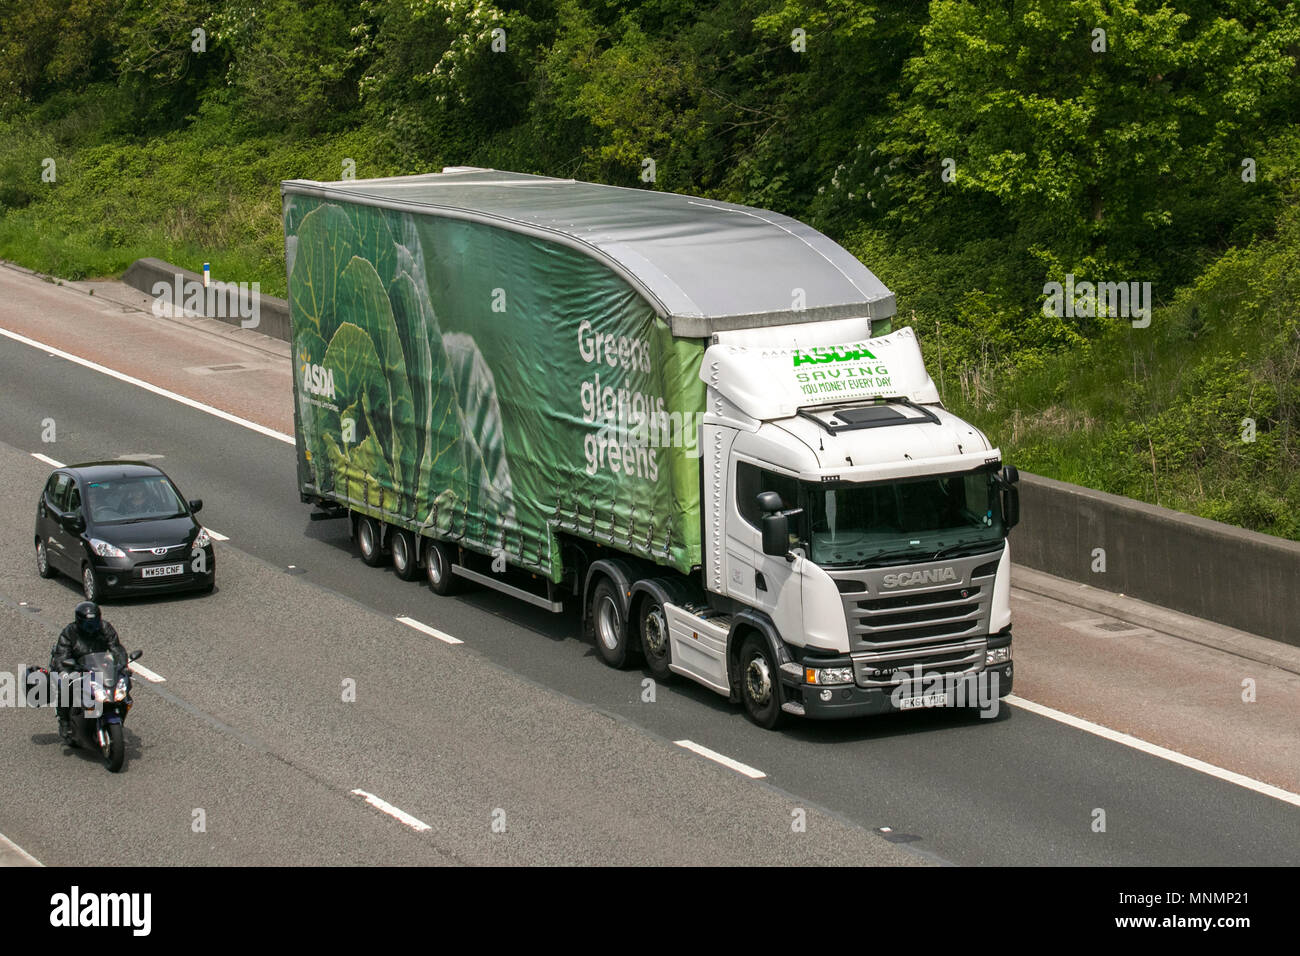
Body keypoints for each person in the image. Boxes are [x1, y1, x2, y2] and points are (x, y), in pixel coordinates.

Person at [48, 602, 126, 744]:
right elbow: (61, 656)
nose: (92, 627)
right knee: (65, 687)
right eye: (88, 624)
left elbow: (116, 648)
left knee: (124, 685)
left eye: (95, 622)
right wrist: (65, 672)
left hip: (99, 665)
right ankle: (64, 722)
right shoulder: (69, 632)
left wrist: (122, 665)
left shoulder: (105, 628)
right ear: (80, 622)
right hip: (75, 667)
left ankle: (117, 714)